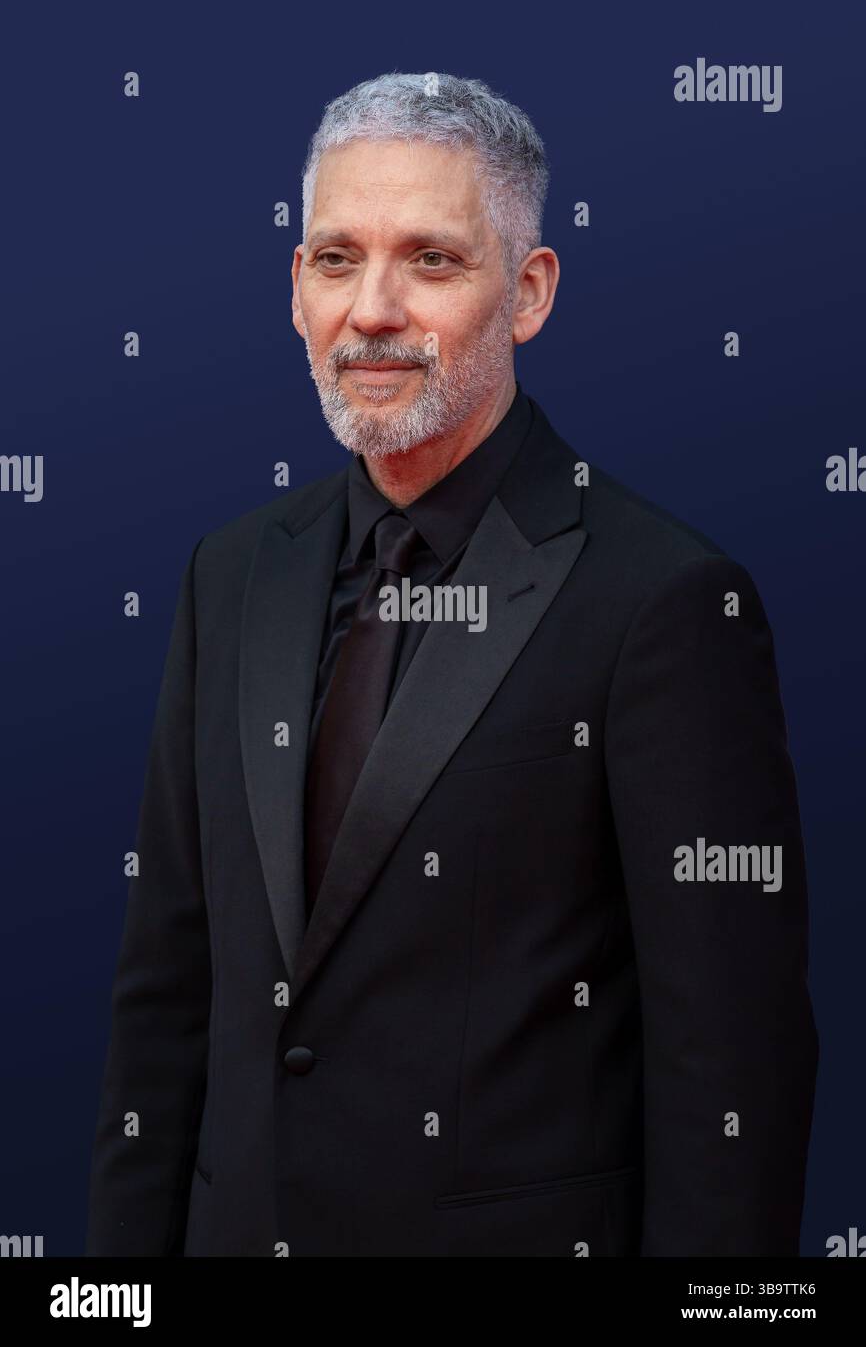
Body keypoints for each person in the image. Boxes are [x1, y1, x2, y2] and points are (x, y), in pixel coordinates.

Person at [86, 72, 818, 1257]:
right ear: (294, 290)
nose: (371, 309)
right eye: (335, 259)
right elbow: (163, 999)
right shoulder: (229, 577)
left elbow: (730, 1066)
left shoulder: (665, 601)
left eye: (429, 260)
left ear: (527, 293)